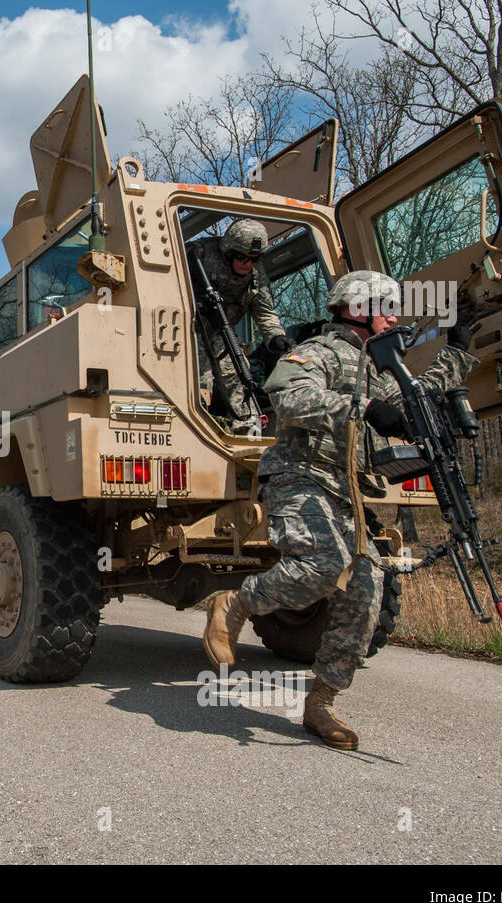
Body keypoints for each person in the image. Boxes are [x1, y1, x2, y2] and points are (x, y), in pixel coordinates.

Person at [201, 270, 479, 749]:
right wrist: (364, 408)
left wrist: (458, 346)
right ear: (356, 309)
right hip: (298, 476)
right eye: (386, 307)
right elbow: (287, 396)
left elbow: (413, 401)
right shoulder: (320, 352)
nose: (395, 317)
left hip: (345, 488)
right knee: (325, 564)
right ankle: (235, 603)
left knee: (367, 588)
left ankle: (321, 702)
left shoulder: (376, 365)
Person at [188, 219, 296, 434]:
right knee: (201, 381)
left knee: (240, 378)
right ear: (228, 252)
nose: (247, 264)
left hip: (220, 333)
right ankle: (200, 432)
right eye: (242, 257)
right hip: (187, 330)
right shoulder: (198, 256)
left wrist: (276, 336)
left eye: (254, 259)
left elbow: (264, 311)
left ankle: (248, 431)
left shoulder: (255, 278)